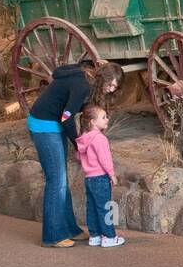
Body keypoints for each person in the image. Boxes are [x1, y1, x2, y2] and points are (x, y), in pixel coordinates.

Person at [26, 60, 123, 247]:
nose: (111, 89)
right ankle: (53, 236)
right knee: (57, 180)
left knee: (61, 180)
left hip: (53, 124)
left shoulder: (88, 78)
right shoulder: (83, 86)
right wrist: (79, 144)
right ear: (103, 78)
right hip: (44, 125)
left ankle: (70, 229)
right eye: (110, 84)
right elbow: (66, 118)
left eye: (115, 87)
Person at [76, 104, 124, 248]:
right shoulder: (99, 138)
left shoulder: (84, 138)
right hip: (101, 177)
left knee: (92, 208)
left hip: (89, 178)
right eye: (103, 117)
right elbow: (105, 159)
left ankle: (94, 236)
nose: (107, 120)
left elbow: (78, 156)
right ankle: (109, 236)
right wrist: (112, 174)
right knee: (106, 208)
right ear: (93, 122)